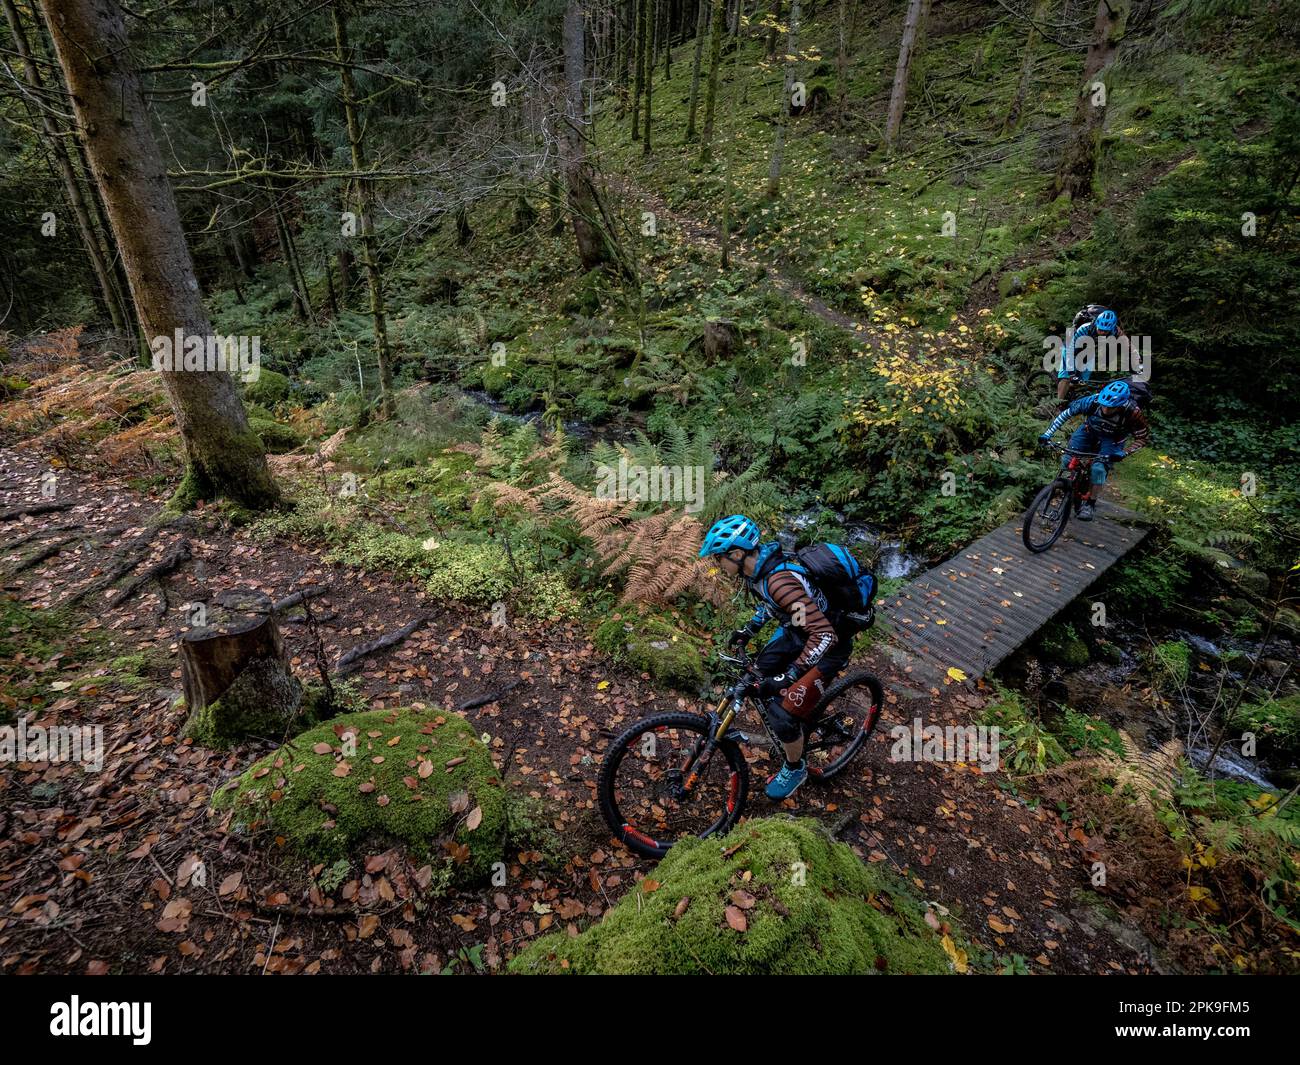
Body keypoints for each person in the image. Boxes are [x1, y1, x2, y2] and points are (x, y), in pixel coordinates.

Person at [698, 515, 861, 801]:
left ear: (737, 554)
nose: (717, 565)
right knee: (752, 676)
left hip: (829, 644)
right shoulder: (757, 573)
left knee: (781, 715)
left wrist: (791, 675)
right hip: (797, 633)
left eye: (718, 558)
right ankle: (794, 715)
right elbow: (773, 605)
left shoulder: (779, 580)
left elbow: (823, 635)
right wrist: (750, 628)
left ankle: (795, 766)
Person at [1039, 379, 1149, 520]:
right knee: (1067, 459)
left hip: (1113, 439)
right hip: (1088, 430)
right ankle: (1066, 487)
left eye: (1111, 407)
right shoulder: (1092, 401)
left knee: (1098, 469)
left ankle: (1090, 503)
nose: (1106, 409)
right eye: (1104, 405)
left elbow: (1142, 438)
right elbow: (1066, 414)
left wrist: (1124, 452)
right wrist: (1048, 434)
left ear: (1121, 405)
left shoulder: (1132, 413)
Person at [1056, 306, 1128, 404]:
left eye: (1105, 331)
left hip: (1088, 350)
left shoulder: (1115, 331)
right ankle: (1056, 405)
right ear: (1096, 324)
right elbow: (1070, 351)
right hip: (1071, 348)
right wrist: (1072, 374)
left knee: (1083, 382)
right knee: (1067, 378)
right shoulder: (1084, 328)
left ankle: (1069, 394)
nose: (1102, 333)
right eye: (1100, 329)